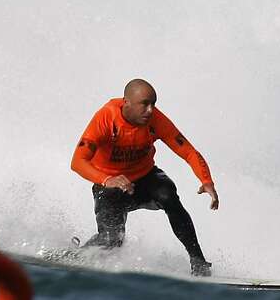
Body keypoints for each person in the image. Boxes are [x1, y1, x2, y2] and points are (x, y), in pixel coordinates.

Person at [70, 79, 219, 276]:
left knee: (168, 195)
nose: (150, 110)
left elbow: (189, 152)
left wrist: (206, 181)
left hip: (145, 179)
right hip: (111, 187)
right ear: (127, 103)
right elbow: (77, 161)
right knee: (111, 241)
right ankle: (76, 258)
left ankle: (199, 262)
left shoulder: (155, 120)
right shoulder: (106, 118)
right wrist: (107, 180)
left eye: (153, 104)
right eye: (145, 104)